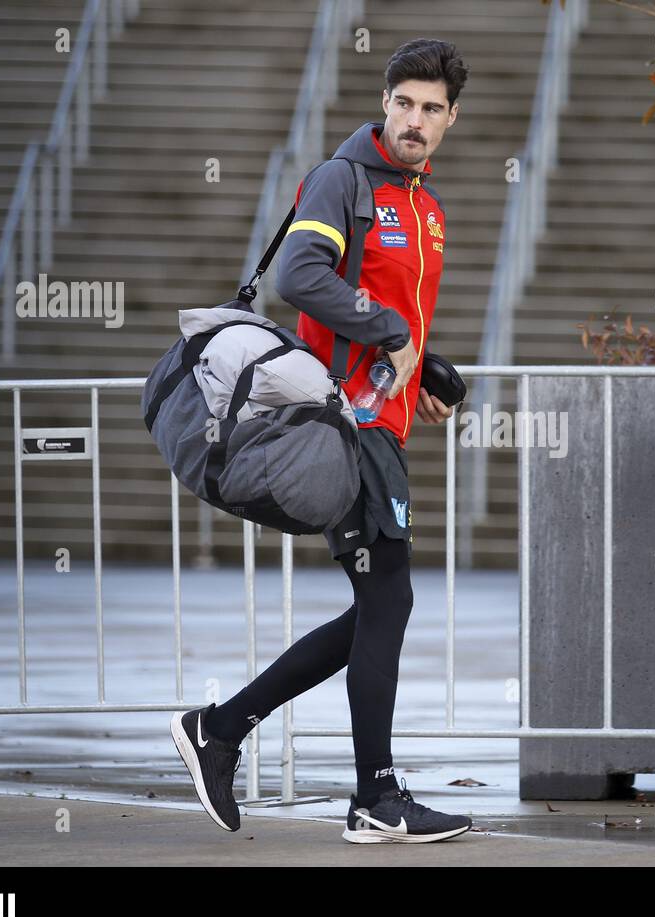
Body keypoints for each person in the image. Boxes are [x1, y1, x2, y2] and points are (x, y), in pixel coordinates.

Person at [171, 38, 472, 845]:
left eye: (432, 108)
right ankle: (372, 794)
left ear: (452, 118)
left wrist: (423, 370)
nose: (415, 120)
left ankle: (223, 728)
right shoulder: (343, 181)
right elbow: (299, 277)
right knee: (387, 599)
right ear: (384, 102)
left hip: (384, 422)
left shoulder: (426, 208)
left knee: (382, 602)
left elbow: (383, 314)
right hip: (344, 426)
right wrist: (387, 334)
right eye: (404, 102)